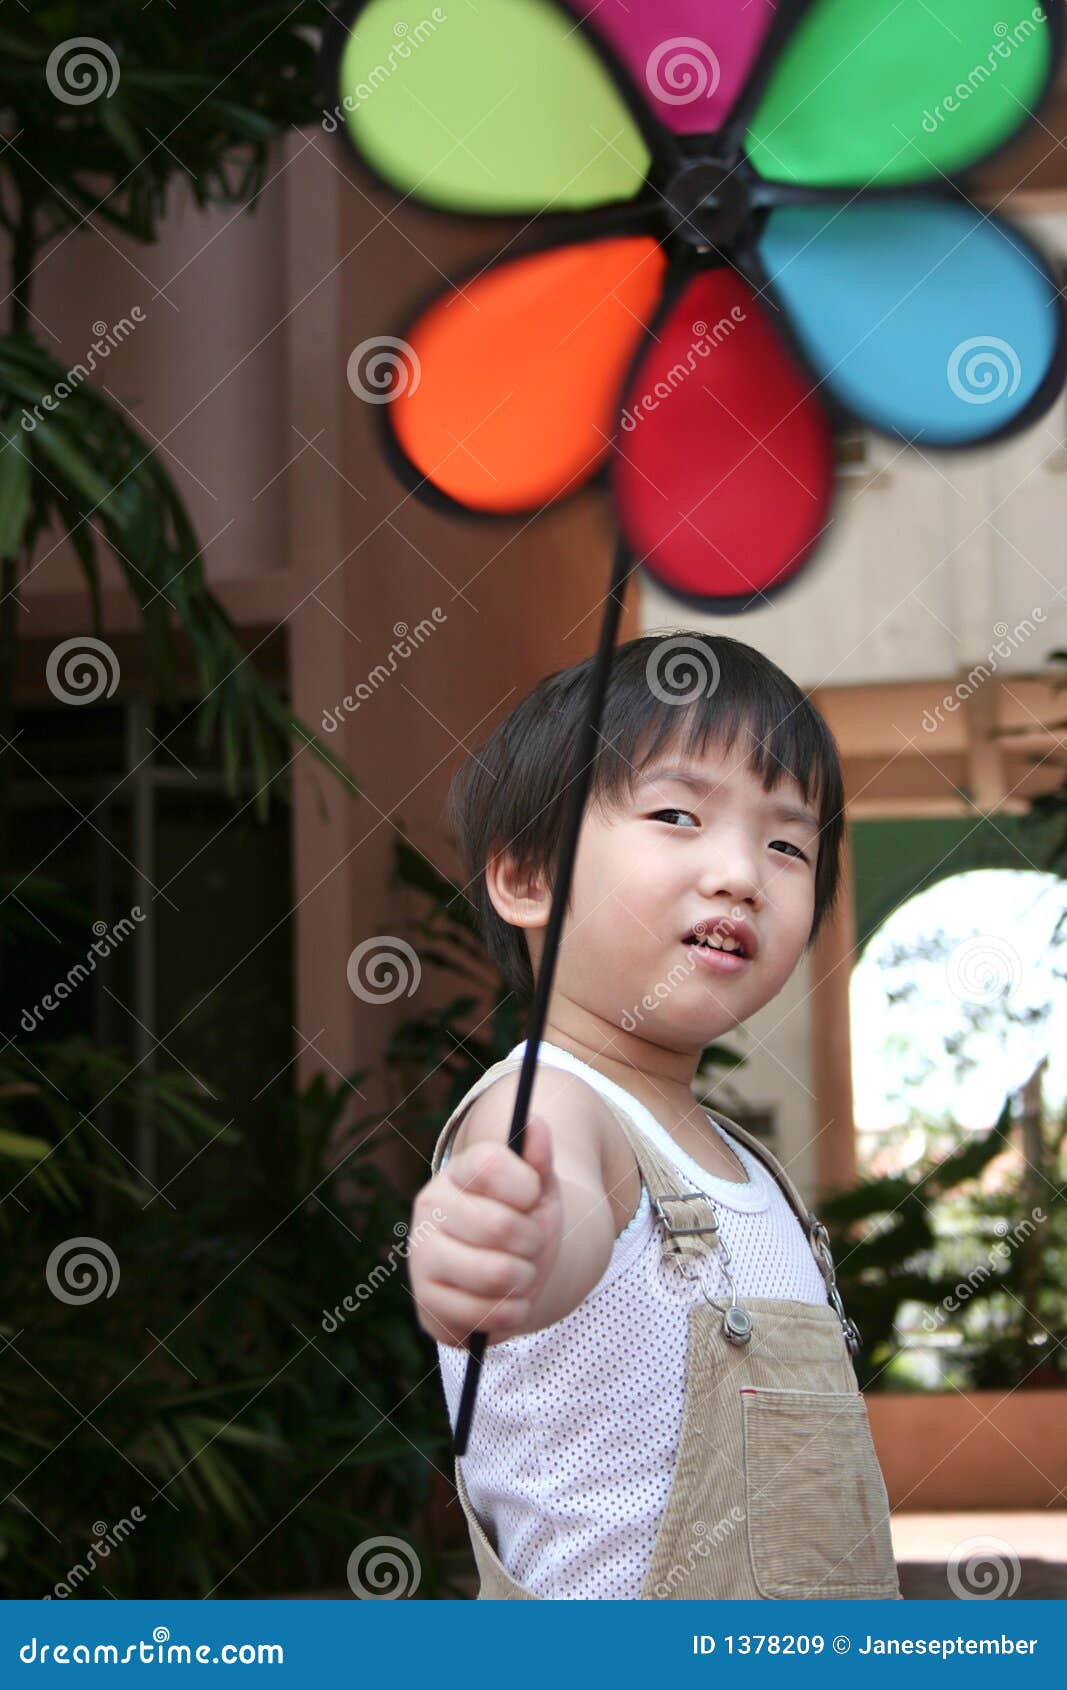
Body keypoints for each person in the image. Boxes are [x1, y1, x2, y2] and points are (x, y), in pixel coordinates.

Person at [407, 631, 901, 1601]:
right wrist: (514, 1237)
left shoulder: (745, 1166)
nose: (739, 872)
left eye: (786, 843)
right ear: (525, 878)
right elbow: (563, 1209)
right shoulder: (550, 1098)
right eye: (676, 812)